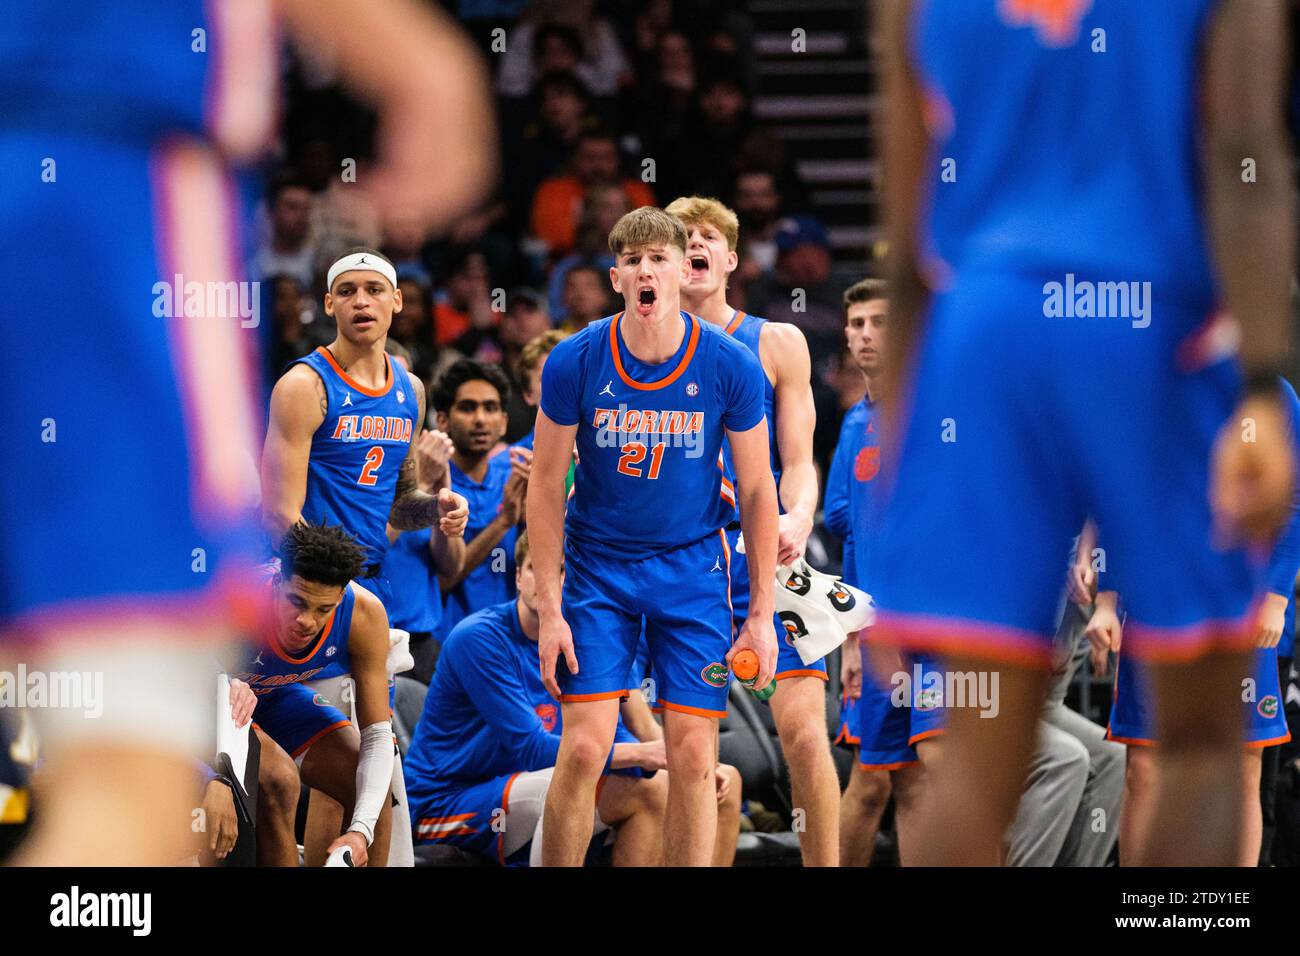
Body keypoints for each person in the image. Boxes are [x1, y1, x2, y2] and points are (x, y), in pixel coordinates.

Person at [874, 0, 1296, 865]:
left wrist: (900, 485)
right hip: (1153, 326)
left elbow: (908, 218)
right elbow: (1244, 154)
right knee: (1203, 747)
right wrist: (1261, 381)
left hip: (982, 337)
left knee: (974, 764)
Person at [528, 206, 779, 866]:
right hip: (598, 568)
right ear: (616, 278)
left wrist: (761, 615)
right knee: (583, 748)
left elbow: (757, 491)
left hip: (692, 566)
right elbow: (547, 486)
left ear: (683, 270)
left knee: (694, 752)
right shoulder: (574, 361)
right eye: (633, 260)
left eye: (659, 258)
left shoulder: (730, 364)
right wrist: (550, 610)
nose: (646, 270)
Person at [666, 195, 837, 865]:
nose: (695, 245)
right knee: (693, 742)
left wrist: (797, 517)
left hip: (768, 548)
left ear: (731, 259)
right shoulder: (639, 345)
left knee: (804, 733)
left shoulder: (777, 341)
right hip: (682, 558)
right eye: (681, 237)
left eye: (708, 236)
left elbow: (800, 463)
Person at [405, 532, 675, 866]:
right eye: (537, 568)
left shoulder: (586, 642)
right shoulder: (478, 639)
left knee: (657, 788)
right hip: (444, 803)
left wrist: (665, 762)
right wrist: (643, 754)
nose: (550, 583)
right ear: (518, 576)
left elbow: (610, 730)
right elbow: (533, 750)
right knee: (556, 789)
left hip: (522, 786)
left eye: (563, 571)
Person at [261, 247, 468, 611]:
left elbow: (400, 504)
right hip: (309, 585)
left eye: (374, 290)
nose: (361, 302)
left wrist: (439, 508)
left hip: (373, 581)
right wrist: (328, 587)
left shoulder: (411, 391)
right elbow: (279, 514)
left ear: (397, 300)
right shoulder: (304, 386)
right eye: (346, 291)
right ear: (328, 304)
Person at [232, 524, 397, 866]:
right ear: (279, 583)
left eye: (323, 609)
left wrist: (360, 832)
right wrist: (219, 682)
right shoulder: (238, 597)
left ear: (339, 598)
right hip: (214, 699)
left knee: (370, 784)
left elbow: (378, 734)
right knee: (280, 778)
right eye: (297, 602)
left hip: (273, 695)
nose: (307, 620)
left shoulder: (363, 614)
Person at [432, 360, 528, 638]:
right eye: (467, 407)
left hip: (510, 639)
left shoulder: (516, 475)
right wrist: (503, 523)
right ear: (442, 420)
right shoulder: (432, 485)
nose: (480, 419)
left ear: (504, 422)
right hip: (448, 644)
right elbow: (442, 581)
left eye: (490, 408)